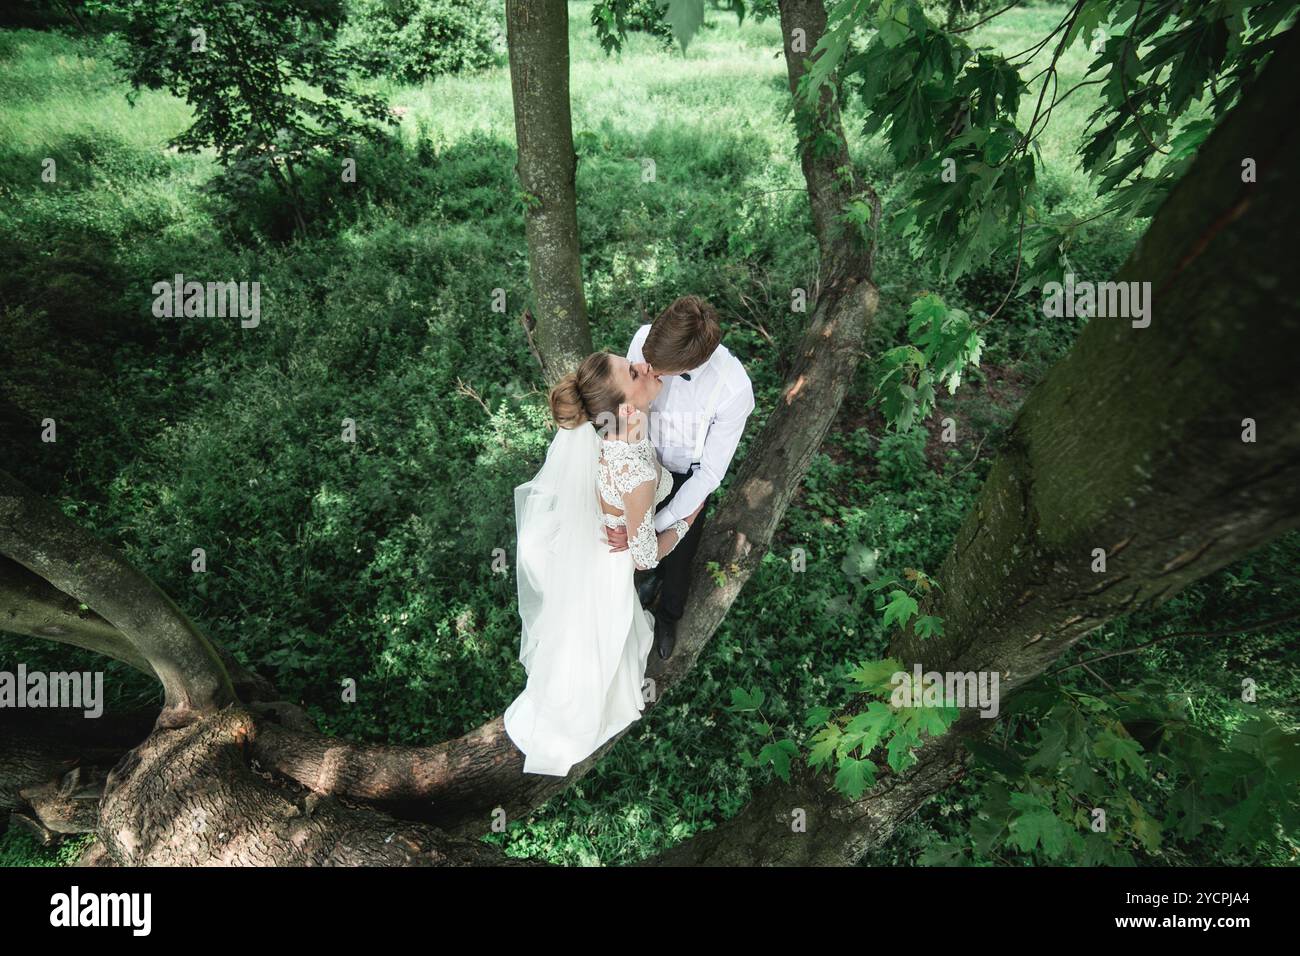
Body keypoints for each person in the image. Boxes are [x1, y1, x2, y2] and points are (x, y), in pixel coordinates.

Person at [503, 351, 704, 776]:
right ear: (624, 406)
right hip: (612, 561)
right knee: (598, 645)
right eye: (634, 371)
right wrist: (686, 520)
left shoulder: (617, 430)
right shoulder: (634, 467)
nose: (647, 365)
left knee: (598, 630)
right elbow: (644, 554)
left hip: (604, 538)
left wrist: (619, 516)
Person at [606, 296, 756, 660]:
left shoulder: (734, 389)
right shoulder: (644, 341)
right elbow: (624, 408)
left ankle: (668, 615)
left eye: (658, 371)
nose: (647, 371)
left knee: (678, 558)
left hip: (688, 481)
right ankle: (632, 598)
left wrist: (658, 524)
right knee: (623, 550)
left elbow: (710, 473)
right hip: (637, 462)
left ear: (690, 363)